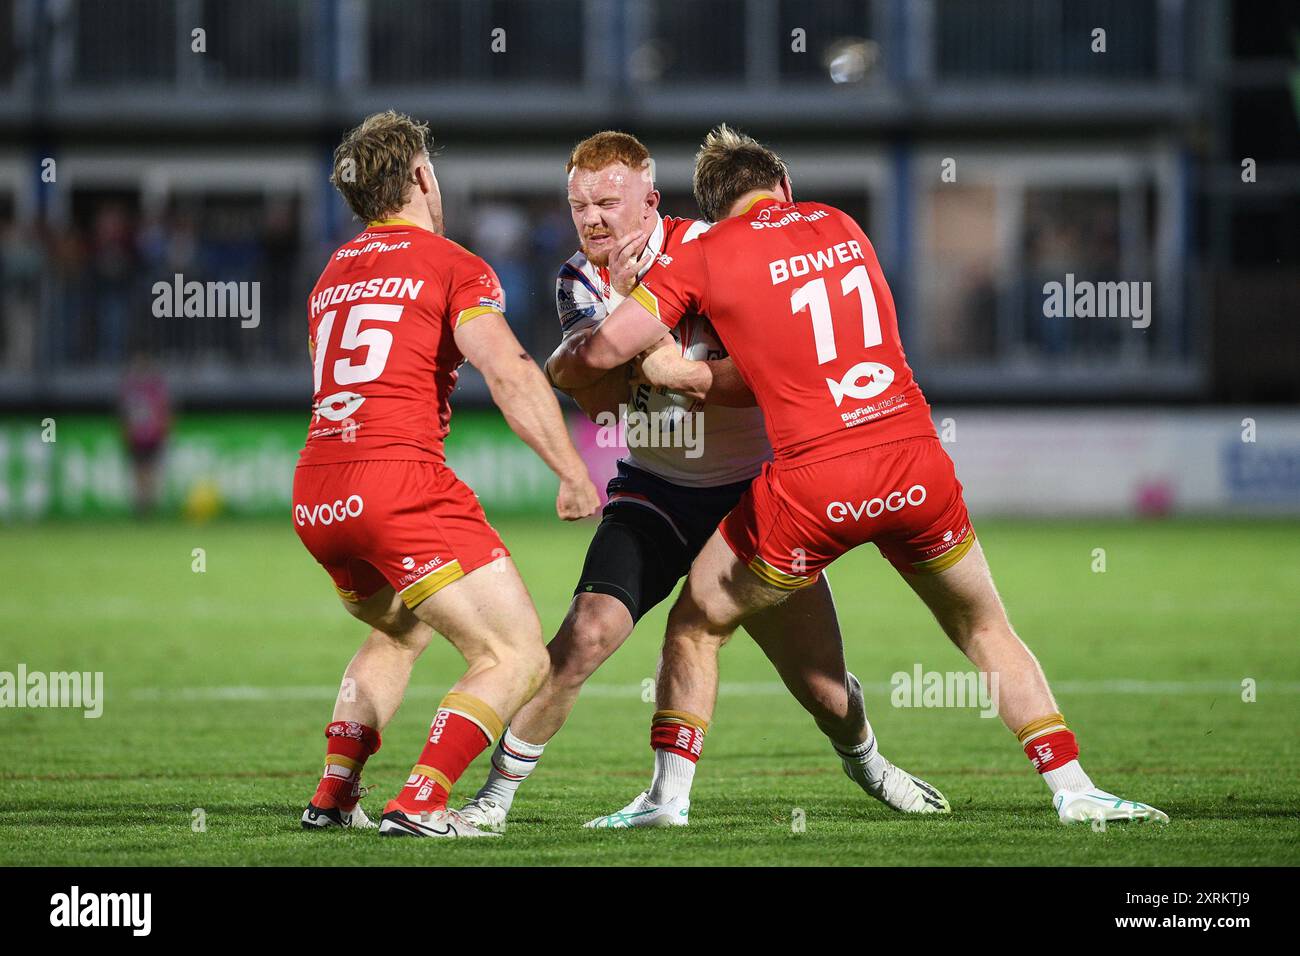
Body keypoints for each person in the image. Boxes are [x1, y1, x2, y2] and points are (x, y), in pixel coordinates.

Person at [549, 125, 1167, 826]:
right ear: (782, 188)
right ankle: (1076, 789)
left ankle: (667, 799)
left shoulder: (711, 254)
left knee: (695, 622)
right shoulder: (842, 224)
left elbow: (623, 356)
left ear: (710, 211)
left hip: (817, 482)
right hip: (915, 461)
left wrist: (633, 304)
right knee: (985, 627)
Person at [461, 131, 948, 833]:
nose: (593, 220)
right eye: (580, 207)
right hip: (655, 489)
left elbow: (763, 380)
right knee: (582, 638)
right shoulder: (577, 278)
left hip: (756, 493)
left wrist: (654, 368)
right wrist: (640, 372)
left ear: (651, 202)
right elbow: (599, 400)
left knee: (824, 689)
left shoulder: (717, 250)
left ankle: (869, 762)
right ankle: (495, 801)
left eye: (608, 202)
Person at [293, 111, 599, 839]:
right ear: (423, 177)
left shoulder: (331, 276)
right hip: (398, 480)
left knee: (400, 629)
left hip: (317, 490)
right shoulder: (453, 264)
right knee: (516, 654)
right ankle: (424, 798)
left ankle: (334, 793)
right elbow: (509, 369)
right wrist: (571, 470)